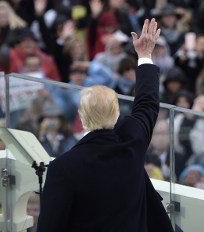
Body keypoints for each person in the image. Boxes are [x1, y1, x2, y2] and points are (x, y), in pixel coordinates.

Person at [37, 19, 173, 232]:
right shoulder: (132, 142)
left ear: (82, 118)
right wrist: (145, 55)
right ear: (117, 114)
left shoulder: (62, 168)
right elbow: (147, 103)